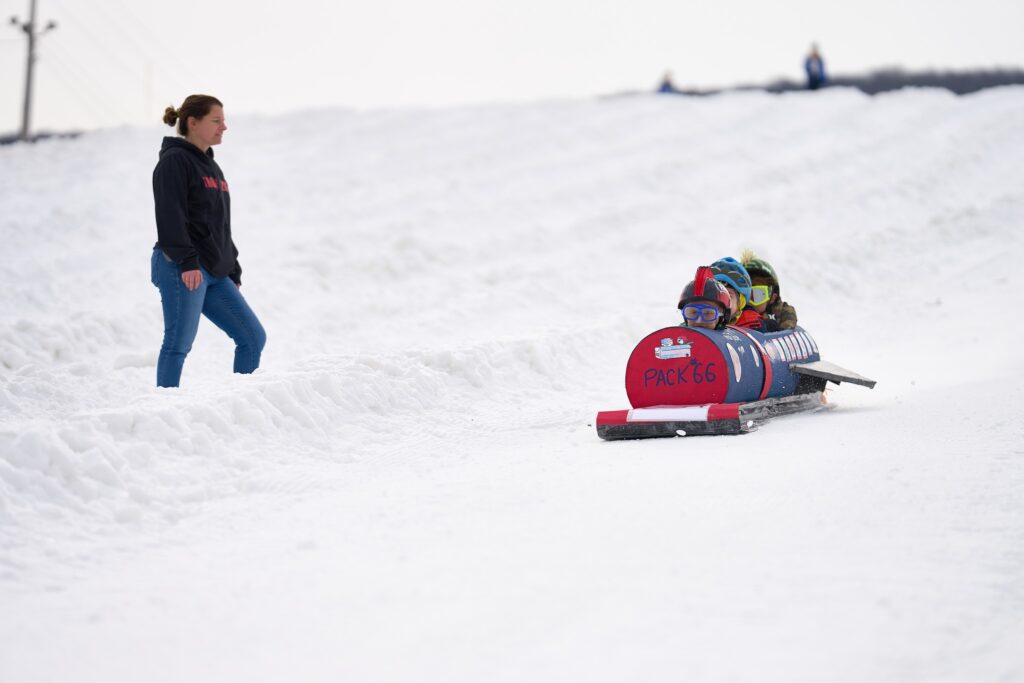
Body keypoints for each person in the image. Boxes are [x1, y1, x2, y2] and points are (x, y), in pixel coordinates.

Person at [151, 94, 266, 388]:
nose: (224, 127)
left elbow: (219, 224)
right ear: (192, 122)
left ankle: (242, 402)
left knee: (252, 337)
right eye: (216, 121)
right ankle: (163, 411)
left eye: (224, 121)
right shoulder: (175, 162)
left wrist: (232, 267)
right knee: (178, 344)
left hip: (214, 270)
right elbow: (170, 216)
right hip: (183, 266)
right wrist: (187, 261)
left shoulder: (211, 167)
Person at [738, 250, 798, 330]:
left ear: (772, 297)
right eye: (745, 295)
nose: (749, 302)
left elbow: (787, 315)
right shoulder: (734, 314)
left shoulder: (781, 314)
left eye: (758, 294)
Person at [678, 266, 732, 330]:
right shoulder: (675, 338)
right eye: (693, 312)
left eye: (708, 313)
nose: (699, 321)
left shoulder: (734, 339)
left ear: (723, 317)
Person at [709, 256, 752, 325]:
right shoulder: (695, 321)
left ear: (740, 304)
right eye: (714, 294)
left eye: (728, 296)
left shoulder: (753, 329)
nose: (720, 301)